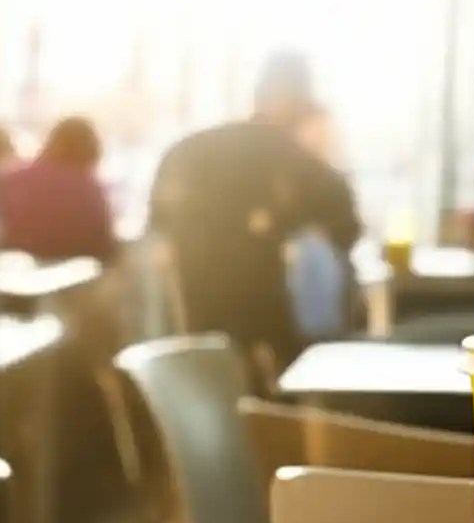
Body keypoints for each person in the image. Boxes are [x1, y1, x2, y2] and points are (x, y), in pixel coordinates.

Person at [148, 52, 360, 369]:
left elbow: (157, 226)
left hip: (195, 320)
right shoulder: (290, 155)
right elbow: (348, 227)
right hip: (270, 327)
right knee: (317, 258)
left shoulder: (195, 150)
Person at [0, 117, 118, 262]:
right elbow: (105, 244)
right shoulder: (91, 190)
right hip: (78, 268)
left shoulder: (15, 179)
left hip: (17, 265)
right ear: (93, 150)